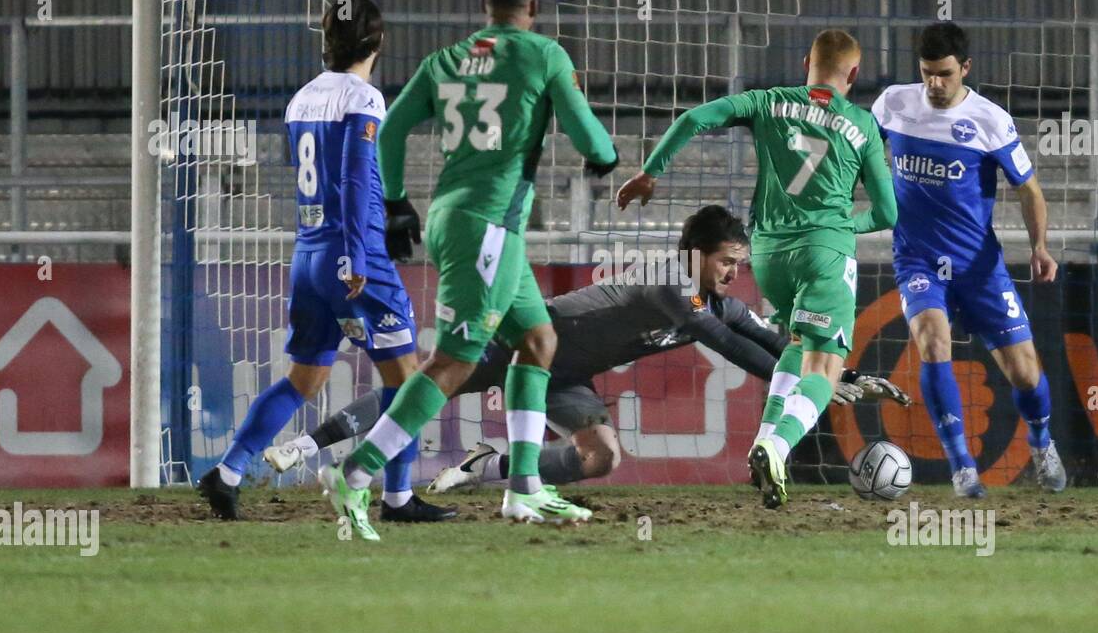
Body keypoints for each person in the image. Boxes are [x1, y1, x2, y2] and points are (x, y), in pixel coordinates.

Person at [264, 206, 910, 489]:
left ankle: (486, 470)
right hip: (530, 346)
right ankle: (306, 446)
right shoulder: (668, 288)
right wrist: (794, 392)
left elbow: (769, 338)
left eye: (739, 263)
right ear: (695, 254)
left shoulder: (716, 301)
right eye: (725, 261)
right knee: (431, 387)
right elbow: (729, 346)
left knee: (601, 456)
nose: (733, 274)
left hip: (570, 376)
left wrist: (835, 375)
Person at [330, 0, 619, 533]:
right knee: (452, 363)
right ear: (532, 9)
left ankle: (525, 489)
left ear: (484, 7)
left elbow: (390, 132)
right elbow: (587, 134)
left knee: (538, 341)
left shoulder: (445, 60)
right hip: (485, 227)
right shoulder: (544, 54)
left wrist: (395, 202)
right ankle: (355, 473)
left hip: (465, 220)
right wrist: (605, 157)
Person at [197, 0, 454, 526]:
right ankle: (398, 497)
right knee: (408, 381)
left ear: (325, 41)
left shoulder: (301, 100)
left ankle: (227, 471)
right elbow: (356, 178)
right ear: (378, 42)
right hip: (352, 254)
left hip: (309, 253)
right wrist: (361, 251)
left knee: (303, 379)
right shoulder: (364, 97)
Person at [617, 30, 898, 508]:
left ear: (807, 60)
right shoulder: (862, 125)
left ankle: (763, 442)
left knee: (795, 342)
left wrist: (651, 170)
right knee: (825, 368)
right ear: (853, 74)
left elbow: (695, 117)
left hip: (767, 254)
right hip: (824, 250)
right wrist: (843, 227)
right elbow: (889, 213)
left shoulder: (768, 101)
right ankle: (779, 444)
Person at [870, 21, 1065, 497]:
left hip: (978, 267)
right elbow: (862, 156)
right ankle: (963, 470)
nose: (935, 84)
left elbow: (1030, 190)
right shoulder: (892, 104)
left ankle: (1042, 444)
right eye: (927, 73)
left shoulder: (990, 120)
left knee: (1024, 370)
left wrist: (1039, 246)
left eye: (945, 74)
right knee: (933, 342)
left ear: (966, 69)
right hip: (916, 259)